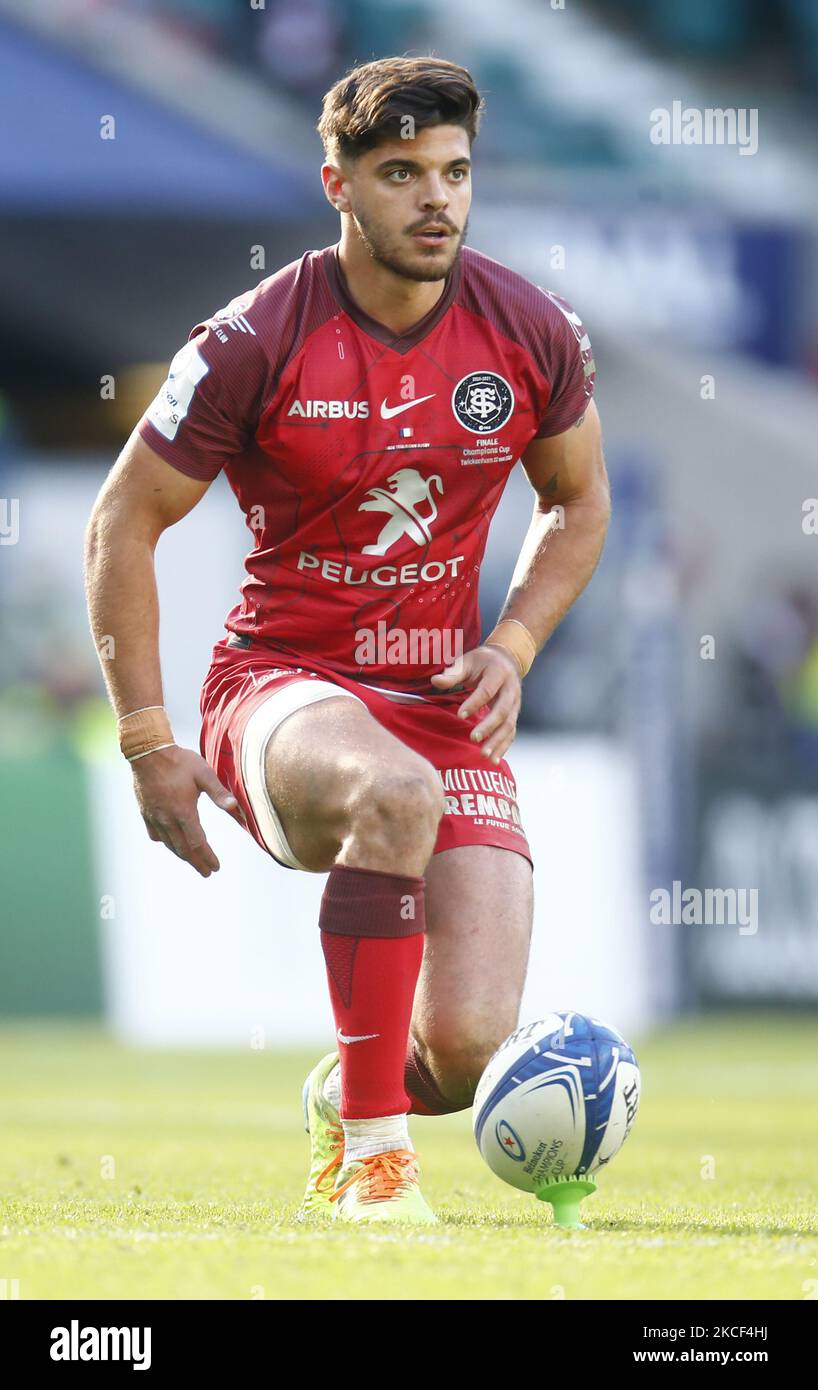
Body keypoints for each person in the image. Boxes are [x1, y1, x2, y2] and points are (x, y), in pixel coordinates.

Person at [84, 55, 610, 1226]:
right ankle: (375, 1163)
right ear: (337, 183)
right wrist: (145, 737)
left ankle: (346, 1093)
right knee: (395, 789)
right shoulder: (249, 341)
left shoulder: (528, 331)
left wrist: (514, 643)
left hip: (439, 700)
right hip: (282, 684)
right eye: (401, 173)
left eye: (455, 173)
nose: (436, 199)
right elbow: (126, 517)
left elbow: (577, 504)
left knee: (471, 1052)